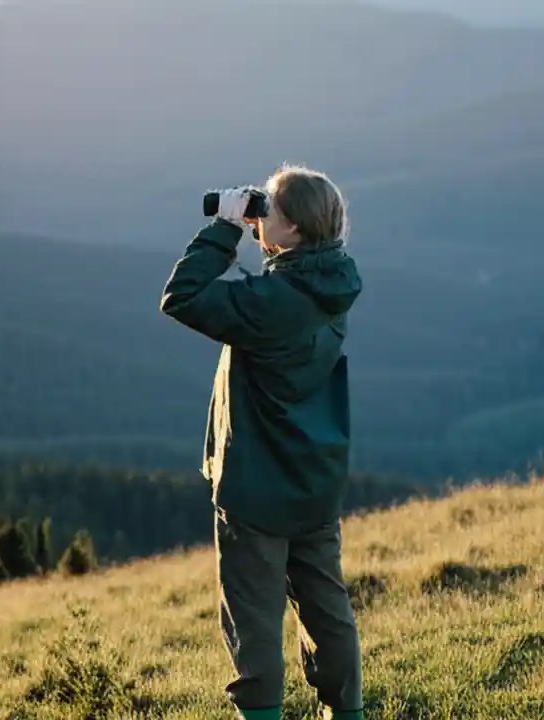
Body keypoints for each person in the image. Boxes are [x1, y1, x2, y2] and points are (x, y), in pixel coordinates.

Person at [159, 164, 364, 720]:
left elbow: (181, 297)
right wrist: (265, 228)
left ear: (296, 230)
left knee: (254, 619)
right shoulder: (333, 281)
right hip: (314, 478)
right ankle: (345, 712)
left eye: (268, 209)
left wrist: (225, 228)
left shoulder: (270, 304)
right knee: (327, 610)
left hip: (256, 487)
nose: (258, 214)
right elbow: (287, 278)